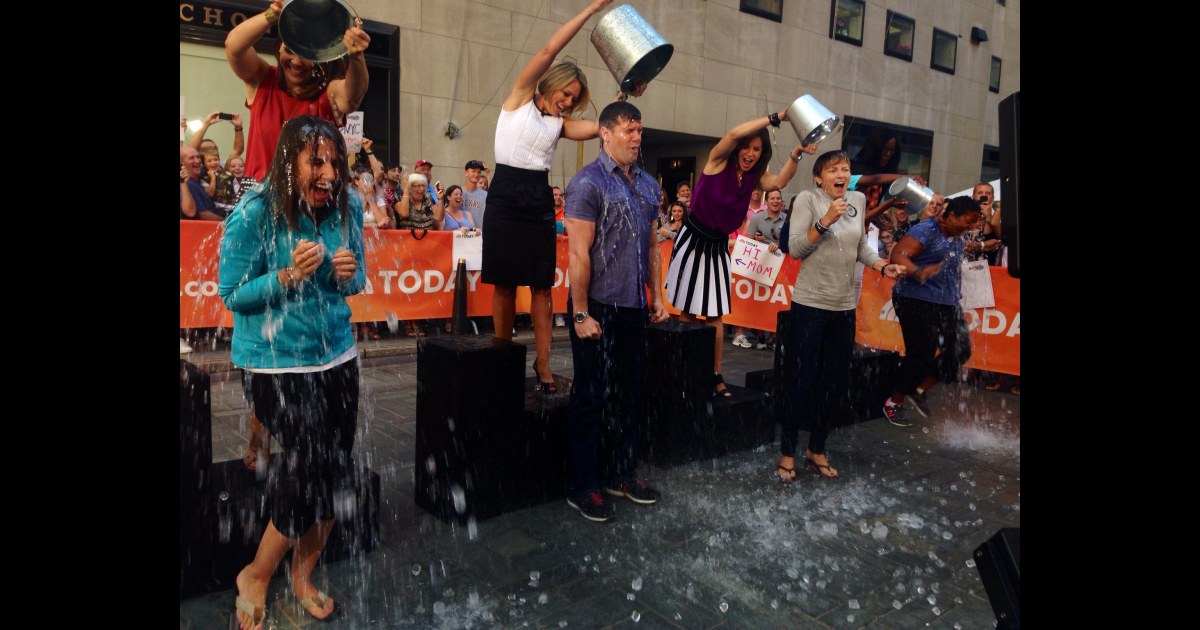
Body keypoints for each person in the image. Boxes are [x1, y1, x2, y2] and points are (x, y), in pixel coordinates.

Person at [217, 115, 366, 629]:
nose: (329, 174)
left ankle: (302, 574)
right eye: (316, 162)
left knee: (337, 469)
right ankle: (255, 574)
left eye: (335, 162)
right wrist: (286, 275)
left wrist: (346, 274)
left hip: (337, 357)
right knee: (308, 468)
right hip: (274, 364)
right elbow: (232, 294)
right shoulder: (254, 213)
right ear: (288, 162)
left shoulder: (348, 205)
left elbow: (356, 281)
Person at [481, 0, 612, 394]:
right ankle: (502, 355)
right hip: (505, 194)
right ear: (551, 83)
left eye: (574, 99)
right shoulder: (520, 98)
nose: (567, 101)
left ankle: (543, 363)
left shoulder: (560, 124)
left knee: (541, 286)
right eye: (566, 93)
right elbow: (548, 49)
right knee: (503, 283)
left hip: (537, 196)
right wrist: (590, 10)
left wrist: (622, 103)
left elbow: (600, 128)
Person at [563, 100, 668, 523]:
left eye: (639, 130)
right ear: (605, 134)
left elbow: (653, 246)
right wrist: (580, 313)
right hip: (596, 306)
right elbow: (577, 253)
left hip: (633, 307)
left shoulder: (648, 185)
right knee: (590, 396)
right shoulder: (587, 183)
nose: (636, 137)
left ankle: (621, 474)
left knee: (628, 395)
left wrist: (657, 297)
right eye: (628, 130)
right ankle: (583, 485)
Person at [663, 109, 815, 397]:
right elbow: (733, 134)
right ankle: (684, 371)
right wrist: (775, 117)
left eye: (757, 149)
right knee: (687, 311)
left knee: (714, 314)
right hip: (694, 239)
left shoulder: (754, 179)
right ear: (737, 148)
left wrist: (796, 153)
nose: (750, 153)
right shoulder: (717, 160)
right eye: (747, 147)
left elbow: (779, 182)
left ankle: (715, 374)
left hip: (718, 246)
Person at [774, 150, 905, 482]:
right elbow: (796, 249)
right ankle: (787, 452)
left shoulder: (857, 200)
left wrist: (882, 265)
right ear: (819, 178)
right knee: (801, 382)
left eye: (845, 169)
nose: (841, 175)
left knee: (834, 384)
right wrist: (825, 221)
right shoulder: (808, 200)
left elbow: (860, 247)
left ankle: (816, 449)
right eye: (833, 170)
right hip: (810, 305)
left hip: (843, 308)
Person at [225, 0, 370, 180]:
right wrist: (272, 15)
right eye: (289, 50)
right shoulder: (263, 80)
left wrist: (356, 56)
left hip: (308, 196)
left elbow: (351, 98)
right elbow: (234, 48)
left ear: (319, 58)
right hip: (258, 194)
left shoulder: (326, 92)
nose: (296, 61)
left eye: (305, 55)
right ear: (279, 49)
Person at [881, 196, 981, 427]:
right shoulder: (926, 230)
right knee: (921, 353)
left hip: (947, 301)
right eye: (968, 221)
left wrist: (983, 246)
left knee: (960, 350)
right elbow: (898, 255)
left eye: (974, 222)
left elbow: (954, 251)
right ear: (952, 215)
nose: (971, 226)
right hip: (915, 298)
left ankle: (918, 390)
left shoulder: (956, 234)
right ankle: (893, 402)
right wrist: (918, 272)